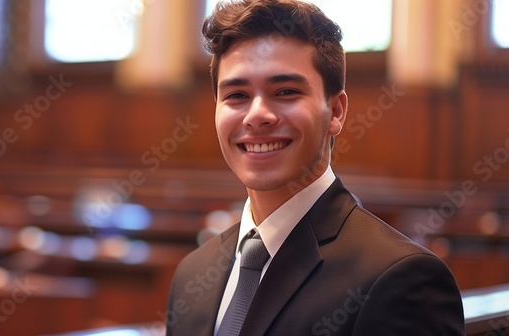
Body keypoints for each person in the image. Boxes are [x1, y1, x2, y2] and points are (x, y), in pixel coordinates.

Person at [165, 0, 465, 335]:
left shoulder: (399, 278)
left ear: (336, 111)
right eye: (237, 95)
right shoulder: (193, 273)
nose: (257, 115)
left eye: (286, 91)